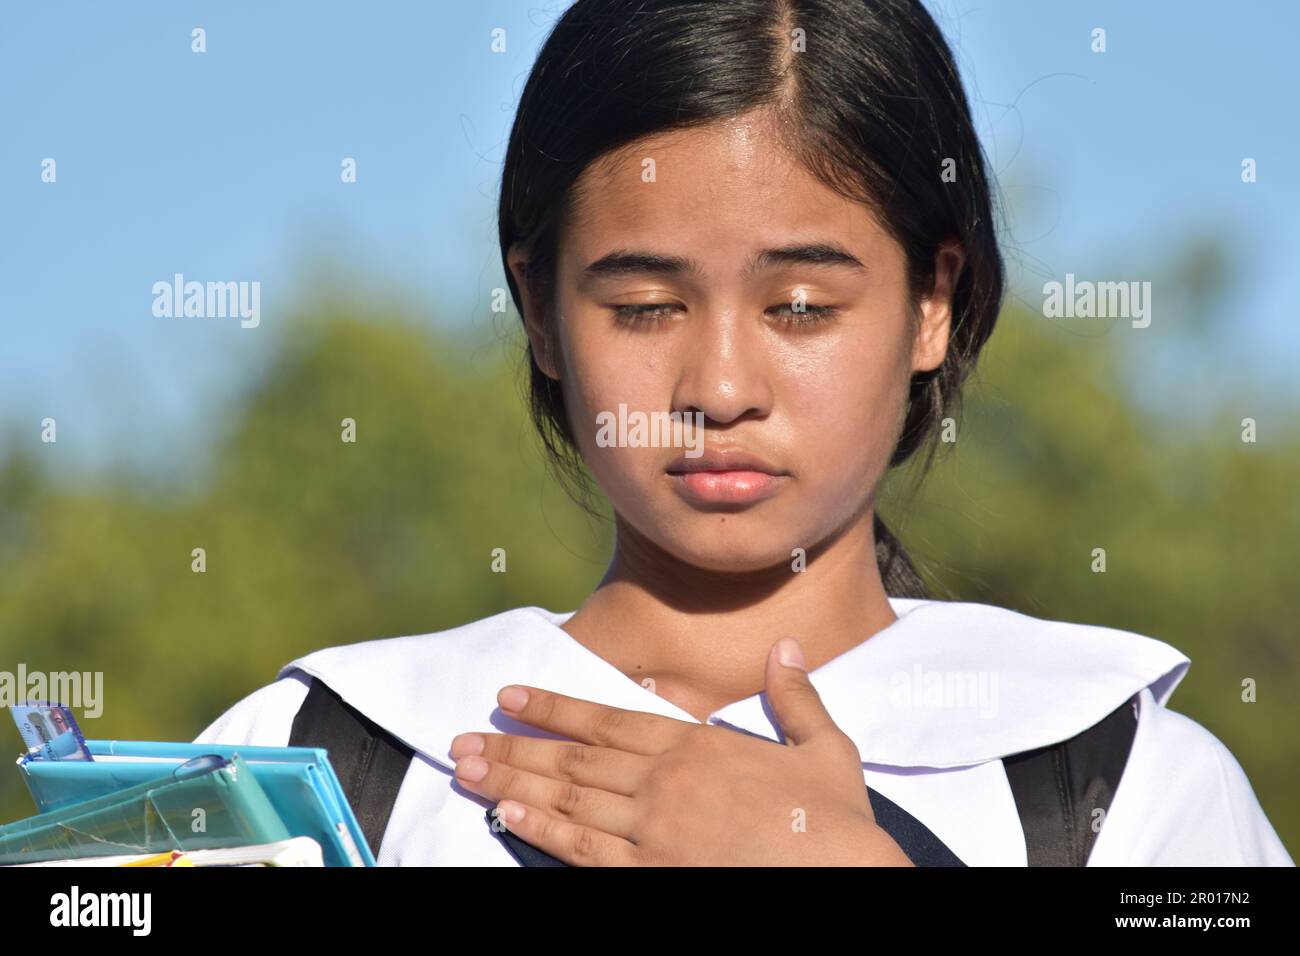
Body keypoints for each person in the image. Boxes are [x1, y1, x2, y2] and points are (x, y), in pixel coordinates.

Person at [195, 0, 1294, 867]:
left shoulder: (1115, 783)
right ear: (538, 311)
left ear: (931, 301)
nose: (719, 387)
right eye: (643, 306)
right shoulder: (315, 761)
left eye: (802, 306)